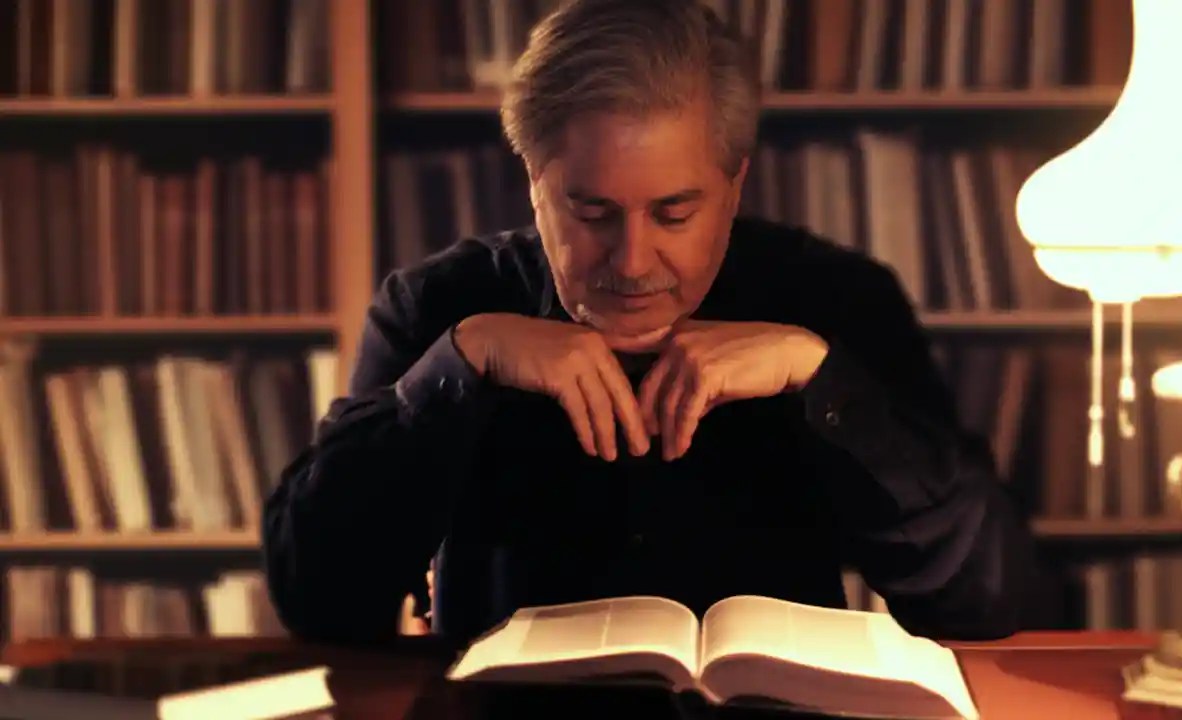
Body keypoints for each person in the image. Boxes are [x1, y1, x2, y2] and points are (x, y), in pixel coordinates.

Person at [262, 0, 1034, 645]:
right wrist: (461, 368)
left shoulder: (835, 300)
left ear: (734, 185)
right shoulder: (437, 307)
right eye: (592, 212)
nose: (632, 262)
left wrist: (819, 378)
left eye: (674, 213)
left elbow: (984, 600)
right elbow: (318, 601)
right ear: (534, 183)